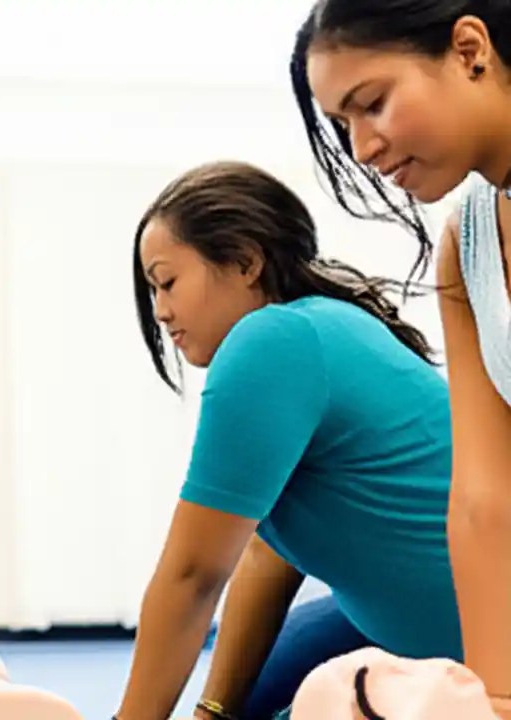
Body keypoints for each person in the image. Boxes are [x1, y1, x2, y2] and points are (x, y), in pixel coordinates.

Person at [113, 161, 458, 720]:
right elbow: (264, 554)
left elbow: (193, 575)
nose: (161, 311)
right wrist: (214, 712)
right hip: (384, 613)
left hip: (473, 644)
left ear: (247, 262)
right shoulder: (324, 324)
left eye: (168, 282)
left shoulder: (272, 342)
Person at [292, 1, 511, 710]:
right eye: (342, 124)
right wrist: (497, 697)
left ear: (470, 49)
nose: (361, 147)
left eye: (373, 104)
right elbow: (485, 503)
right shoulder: (468, 238)